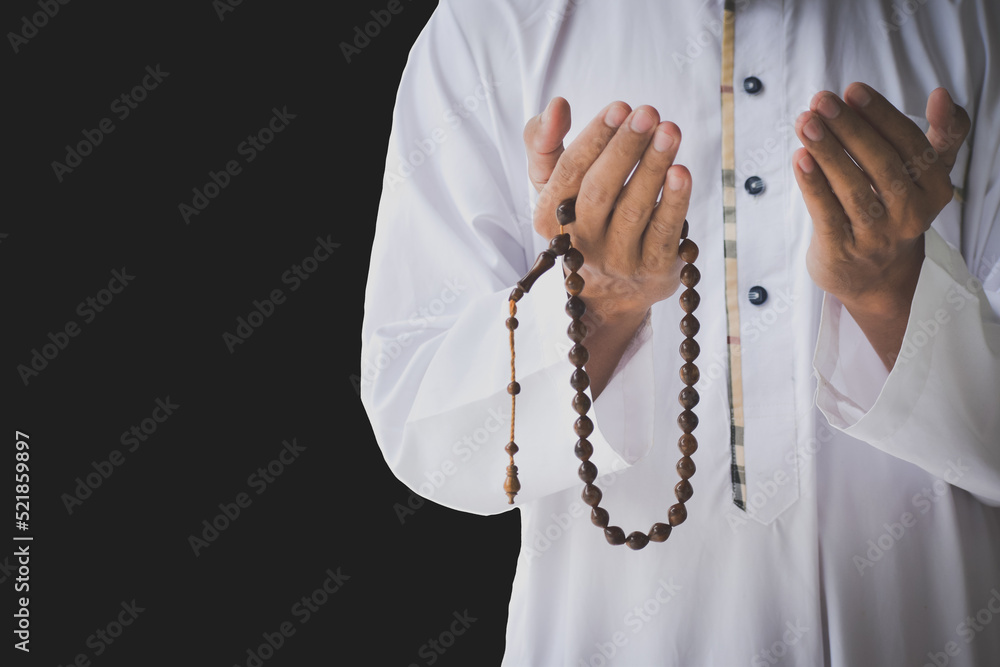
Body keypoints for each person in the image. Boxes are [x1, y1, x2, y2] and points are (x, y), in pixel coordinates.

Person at [361, 1, 1000, 664]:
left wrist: (894, 295)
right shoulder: (491, 23)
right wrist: (592, 309)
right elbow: (423, 430)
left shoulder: (974, 20)